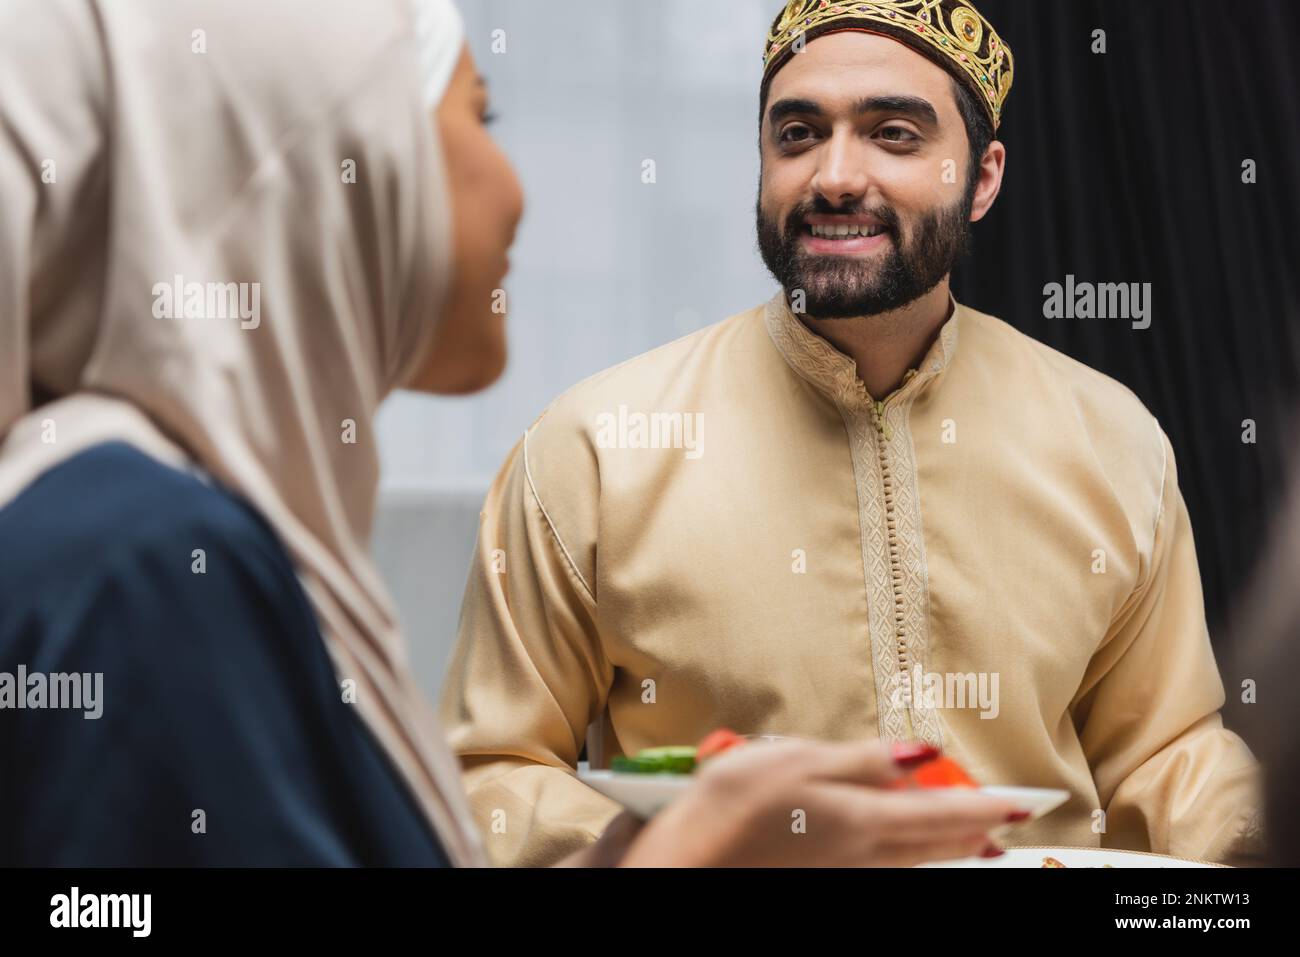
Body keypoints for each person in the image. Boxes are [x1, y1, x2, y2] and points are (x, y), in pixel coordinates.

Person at [0, 0, 1024, 867]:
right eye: (479, 118)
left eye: (893, 134)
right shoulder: (135, 566)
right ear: (326, 160)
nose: (515, 188)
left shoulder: (166, 533)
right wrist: (686, 846)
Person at [440, 0, 1262, 867]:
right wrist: (668, 853)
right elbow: (490, 771)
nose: (834, 175)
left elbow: (1165, 755)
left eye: (893, 134)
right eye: (797, 134)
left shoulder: (1109, 438)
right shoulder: (595, 448)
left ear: (982, 178)